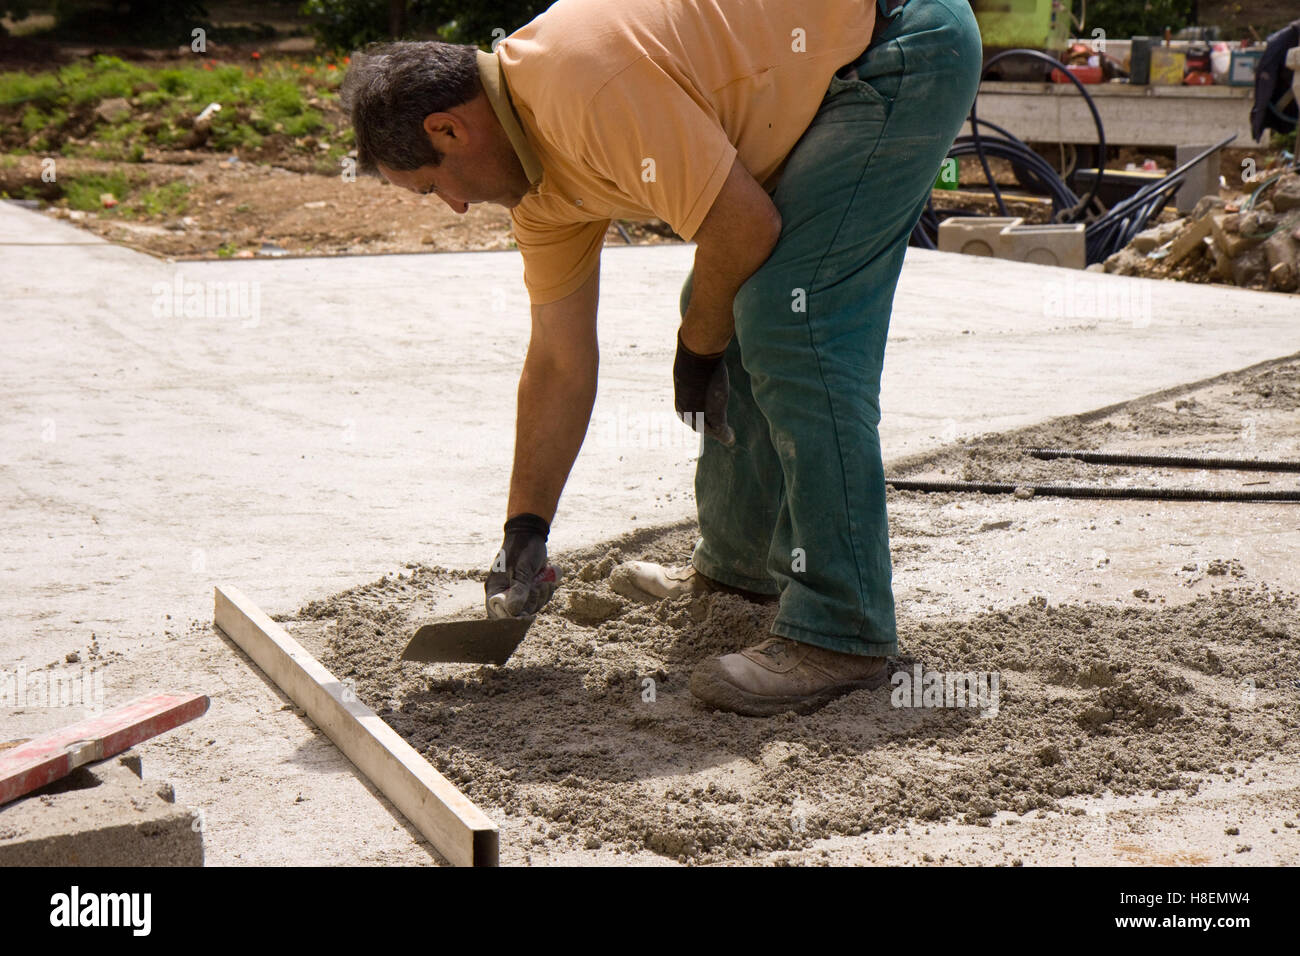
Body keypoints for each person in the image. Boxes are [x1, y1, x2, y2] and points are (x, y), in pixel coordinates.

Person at [341, 0, 982, 715]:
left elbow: (742, 226)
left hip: (897, 46)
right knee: (726, 297)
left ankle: (841, 631)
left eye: (432, 186)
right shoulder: (539, 190)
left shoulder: (581, 84)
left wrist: (696, 345)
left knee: (786, 314)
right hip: (827, 65)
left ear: (449, 128)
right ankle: (739, 578)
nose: (453, 207)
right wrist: (525, 532)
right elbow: (557, 359)